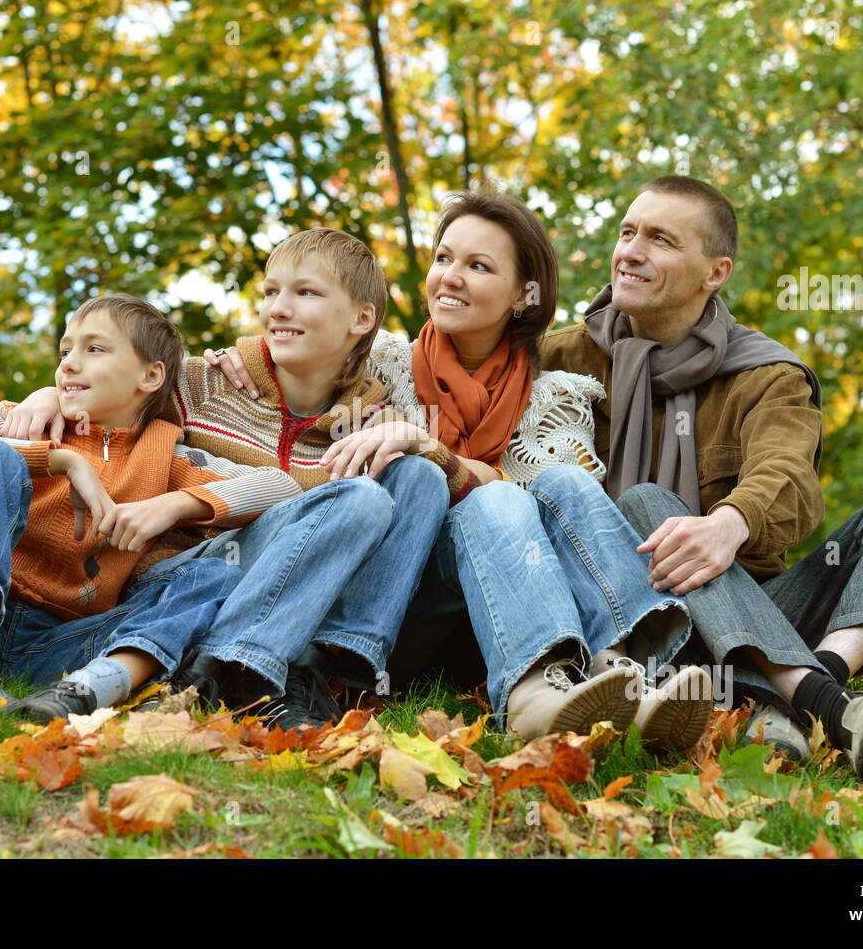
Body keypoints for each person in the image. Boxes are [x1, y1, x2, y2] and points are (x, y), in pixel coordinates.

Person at [215, 191, 707, 748]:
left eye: (478, 266)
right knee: (489, 496)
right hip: (392, 603)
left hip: (505, 604)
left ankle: (620, 672)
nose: (450, 277)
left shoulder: (557, 398)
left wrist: (426, 446)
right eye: (444, 258)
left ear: (525, 294)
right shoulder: (376, 363)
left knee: (561, 482)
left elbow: (544, 521)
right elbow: (291, 344)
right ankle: (532, 695)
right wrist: (241, 357)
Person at [537, 174, 863, 781]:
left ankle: (797, 685)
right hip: (630, 626)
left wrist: (731, 522)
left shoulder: (766, 374)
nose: (630, 251)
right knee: (646, 504)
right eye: (627, 232)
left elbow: (789, 478)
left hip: (761, 607)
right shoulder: (559, 359)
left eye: (660, 239)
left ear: (716, 272)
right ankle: (828, 707)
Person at [1, 229, 452, 729]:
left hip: (296, 599)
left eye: (305, 292)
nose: (279, 308)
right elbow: (105, 391)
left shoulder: (370, 421)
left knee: (419, 478)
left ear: (362, 318)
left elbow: (452, 502)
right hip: (186, 585)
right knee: (361, 499)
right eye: (270, 292)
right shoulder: (202, 383)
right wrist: (45, 395)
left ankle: (321, 670)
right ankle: (224, 666)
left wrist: (416, 437)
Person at [0, 293, 302, 722]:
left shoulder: (167, 454)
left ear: (150, 376)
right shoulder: (22, 421)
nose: (69, 362)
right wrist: (60, 460)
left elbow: (284, 487)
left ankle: (87, 690)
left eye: (94, 349)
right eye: (65, 350)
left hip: (53, 646)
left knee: (214, 573)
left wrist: (176, 503)